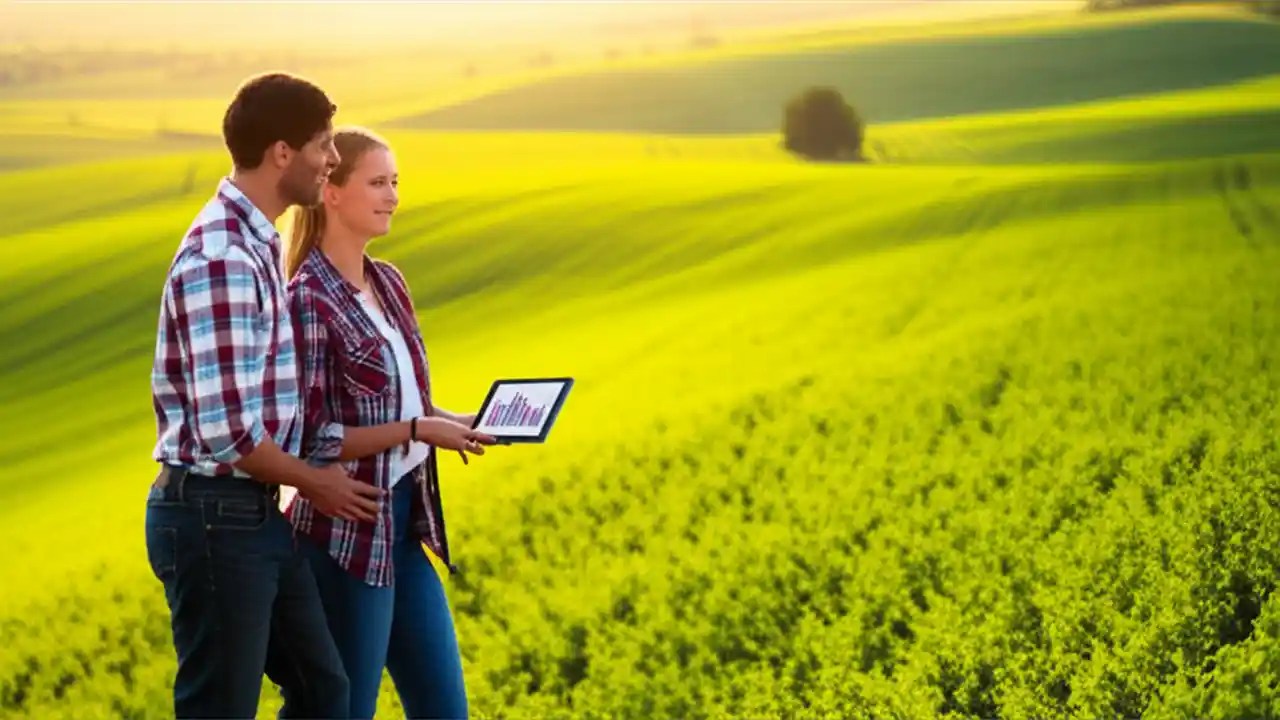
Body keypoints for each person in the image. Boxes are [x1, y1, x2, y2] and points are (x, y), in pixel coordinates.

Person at [145, 73, 388, 719]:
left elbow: (273, 410)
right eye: (324, 145)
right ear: (284, 153)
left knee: (323, 692)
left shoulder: (257, 241)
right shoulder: (223, 256)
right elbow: (227, 431)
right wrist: (316, 481)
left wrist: (409, 428)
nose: (332, 160)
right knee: (221, 708)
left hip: (249, 513)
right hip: (213, 515)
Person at [283, 125, 497, 719]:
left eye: (395, 182)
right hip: (346, 533)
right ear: (330, 190)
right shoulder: (306, 300)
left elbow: (409, 405)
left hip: (404, 524)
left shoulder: (390, 283)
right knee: (343, 711)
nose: (393, 195)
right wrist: (418, 432)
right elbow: (310, 437)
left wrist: (457, 420)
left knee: (444, 709)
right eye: (378, 182)